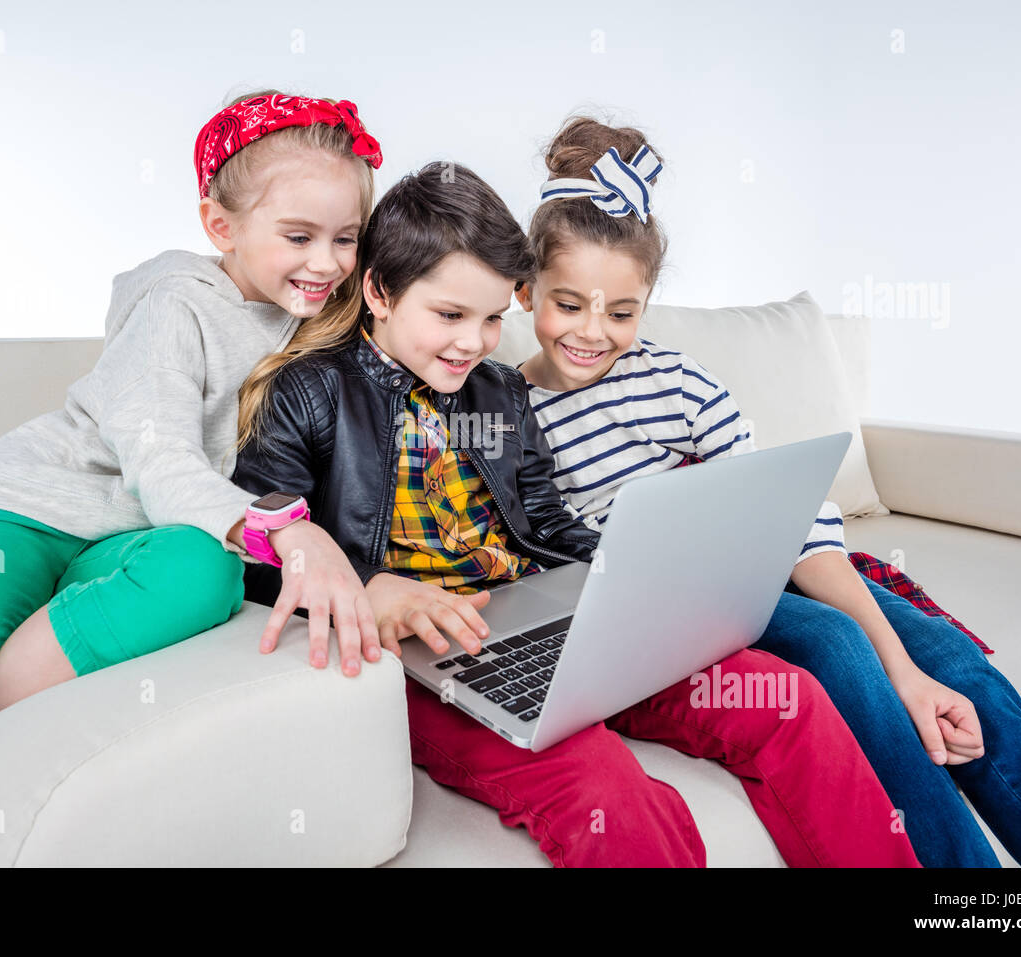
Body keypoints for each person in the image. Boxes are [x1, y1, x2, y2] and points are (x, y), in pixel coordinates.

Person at [230, 160, 921, 867]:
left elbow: (545, 520)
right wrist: (371, 587)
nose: (473, 341)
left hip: (549, 623)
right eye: (450, 315)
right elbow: (259, 549)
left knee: (789, 699)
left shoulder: (496, 394)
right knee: (608, 793)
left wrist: (625, 566)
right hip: (429, 662)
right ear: (378, 289)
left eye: (495, 317)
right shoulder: (311, 394)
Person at [0, 88, 385, 867]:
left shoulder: (318, 319)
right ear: (221, 226)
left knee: (203, 571)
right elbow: (159, 457)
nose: (326, 262)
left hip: (140, 540)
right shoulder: (175, 306)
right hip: (28, 519)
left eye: (345, 239)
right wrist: (283, 531)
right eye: (299, 235)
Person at [515, 112, 1021, 867]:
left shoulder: (677, 381)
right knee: (836, 643)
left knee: (950, 662)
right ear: (526, 290)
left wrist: (909, 669)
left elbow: (795, 526)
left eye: (623, 311)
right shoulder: (500, 405)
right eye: (568, 304)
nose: (593, 332)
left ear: (647, 301)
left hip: (760, 570)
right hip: (665, 613)